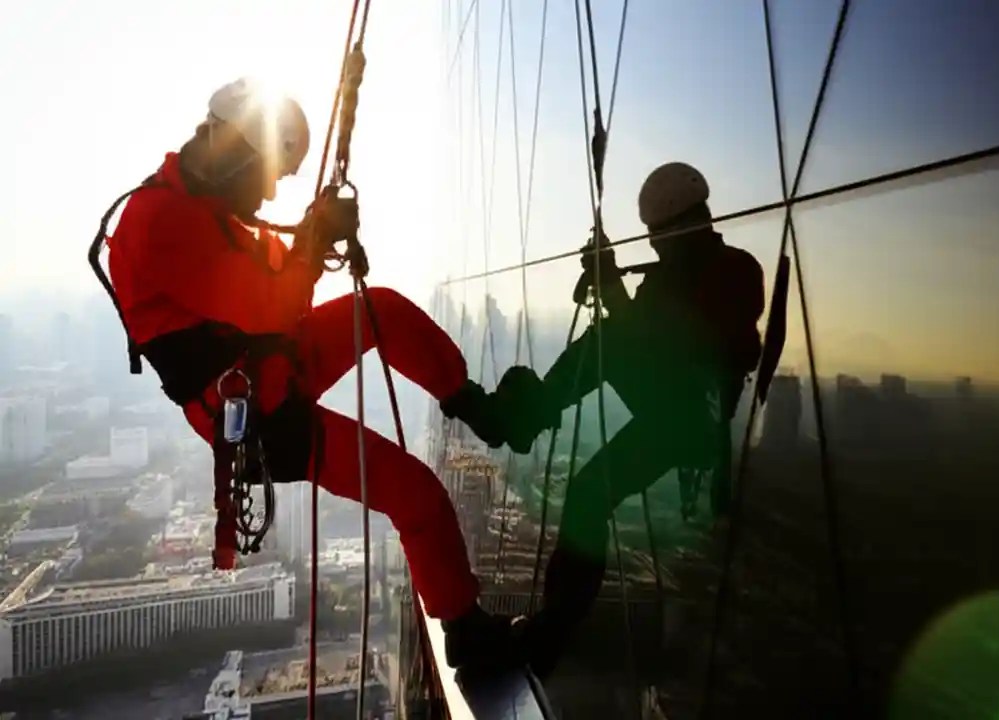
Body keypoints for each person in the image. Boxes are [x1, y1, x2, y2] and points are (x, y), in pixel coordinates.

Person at [101, 78, 521, 670]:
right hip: (260, 418)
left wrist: (310, 233)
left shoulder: (200, 209)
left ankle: (480, 408)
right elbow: (268, 304)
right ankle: (467, 632)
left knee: (382, 309)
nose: (270, 191)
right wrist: (314, 237)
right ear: (240, 150)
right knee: (415, 493)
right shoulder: (159, 221)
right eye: (271, 173)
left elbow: (273, 285)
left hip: (269, 368)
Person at [481, 162, 766, 675]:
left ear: (683, 226)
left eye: (658, 236)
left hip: (689, 418)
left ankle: (529, 418)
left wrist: (610, 282)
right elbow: (648, 340)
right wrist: (611, 283)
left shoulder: (733, 273)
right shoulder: (682, 276)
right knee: (589, 491)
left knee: (604, 349)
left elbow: (659, 344)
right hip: (673, 413)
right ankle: (553, 629)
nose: (654, 246)